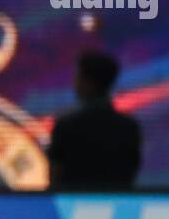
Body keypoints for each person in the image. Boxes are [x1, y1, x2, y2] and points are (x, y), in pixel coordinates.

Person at [47, 50, 142, 190]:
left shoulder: (66, 126)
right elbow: (131, 173)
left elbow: (55, 176)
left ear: (88, 83)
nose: (75, 84)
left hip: (71, 207)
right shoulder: (129, 127)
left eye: (78, 78)